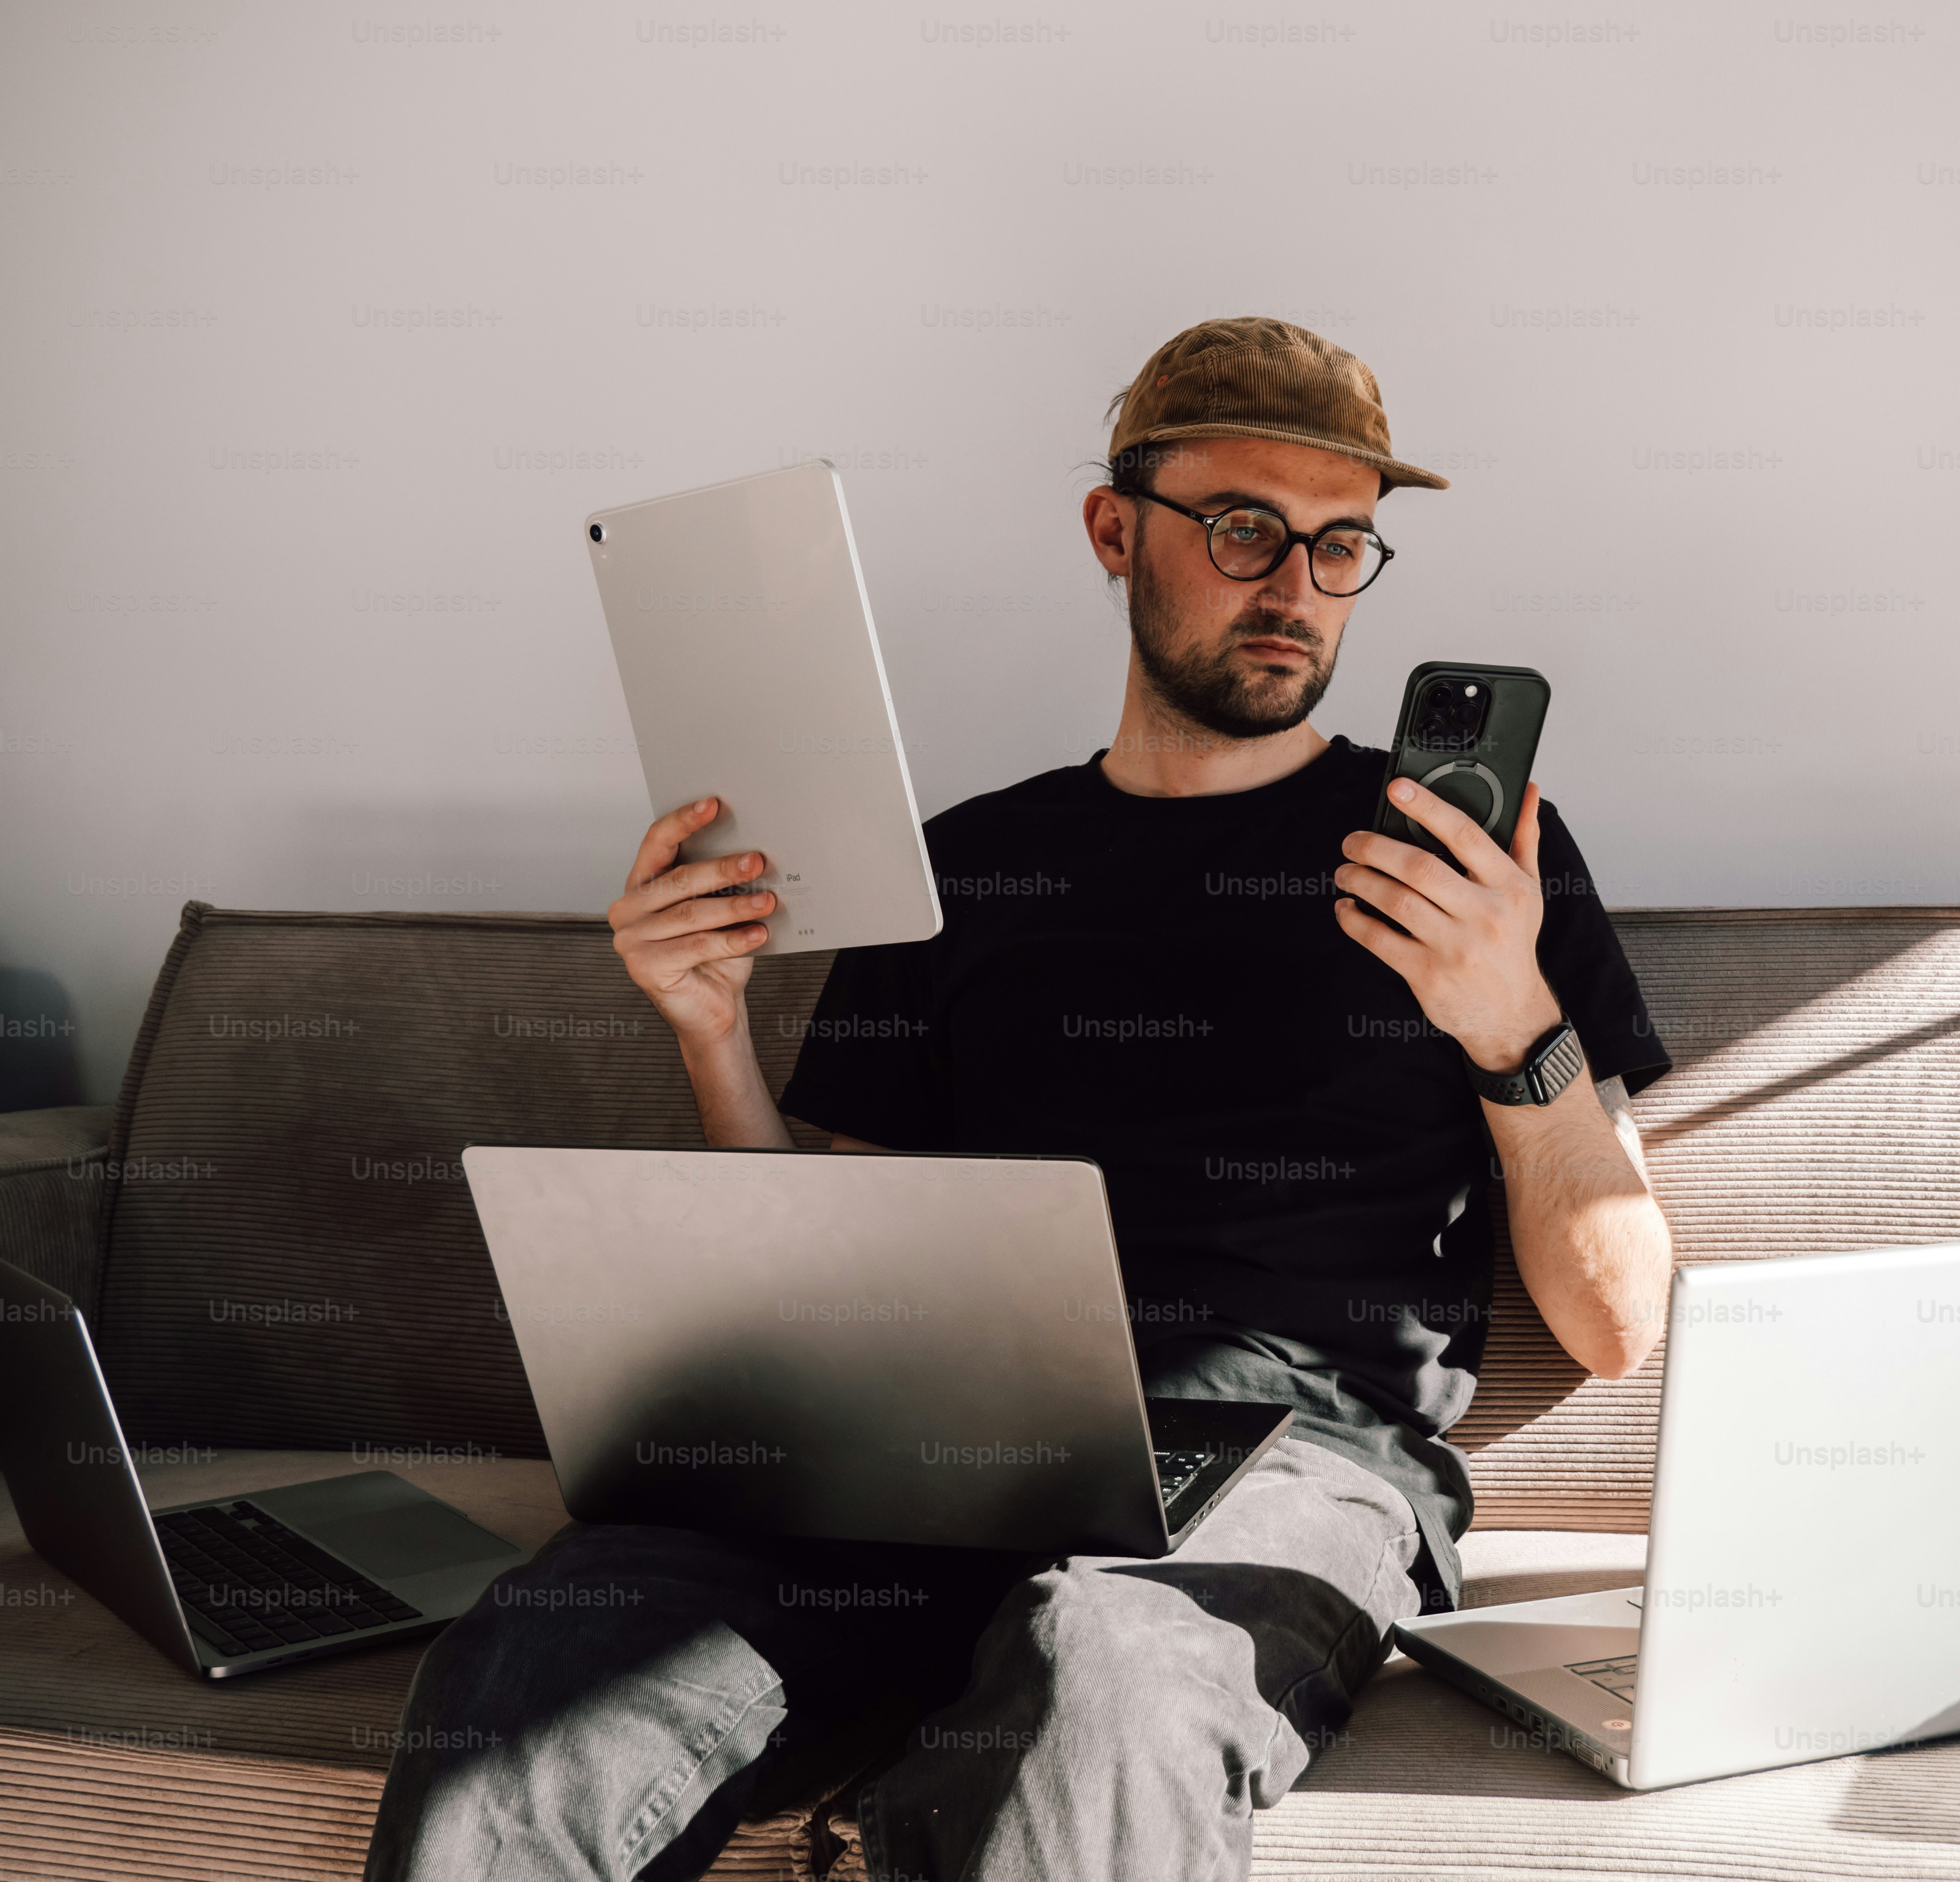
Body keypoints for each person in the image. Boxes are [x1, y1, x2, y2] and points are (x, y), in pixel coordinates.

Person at [364, 316, 1675, 1882]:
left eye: (1343, 549)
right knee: (548, 1653)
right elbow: (810, 1261)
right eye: (1248, 529)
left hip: (1285, 1468)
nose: (1295, 590)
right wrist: (711, 1030)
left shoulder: (1477, 864)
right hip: (917, 1465)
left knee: (1112, 1668)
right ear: (1114, 529)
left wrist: (1508, 1022)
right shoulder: (964, 867)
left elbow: (1618, 1320)